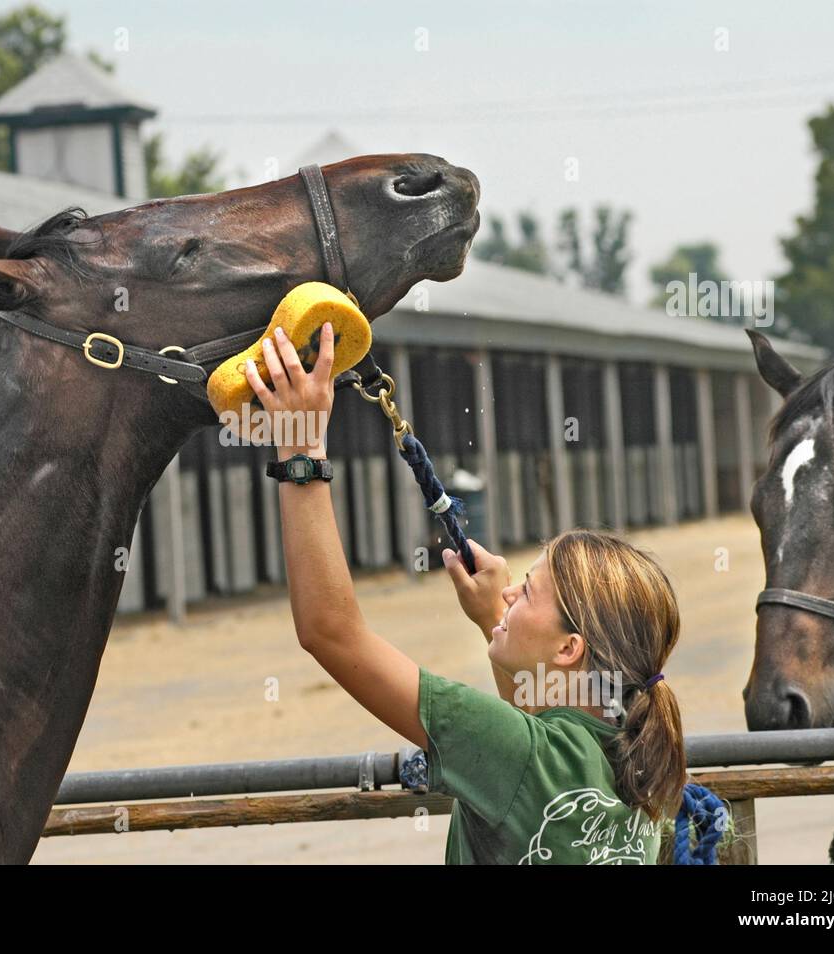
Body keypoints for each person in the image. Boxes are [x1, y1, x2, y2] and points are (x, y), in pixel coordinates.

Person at [245, 322, 687, 864]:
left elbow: (330, 633)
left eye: (526, 593)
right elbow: (533, 730)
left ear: (569, 649)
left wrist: (302, 449)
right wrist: (492, 624)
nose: (506, 593)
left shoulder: (519, 751)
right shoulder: (636, 762)